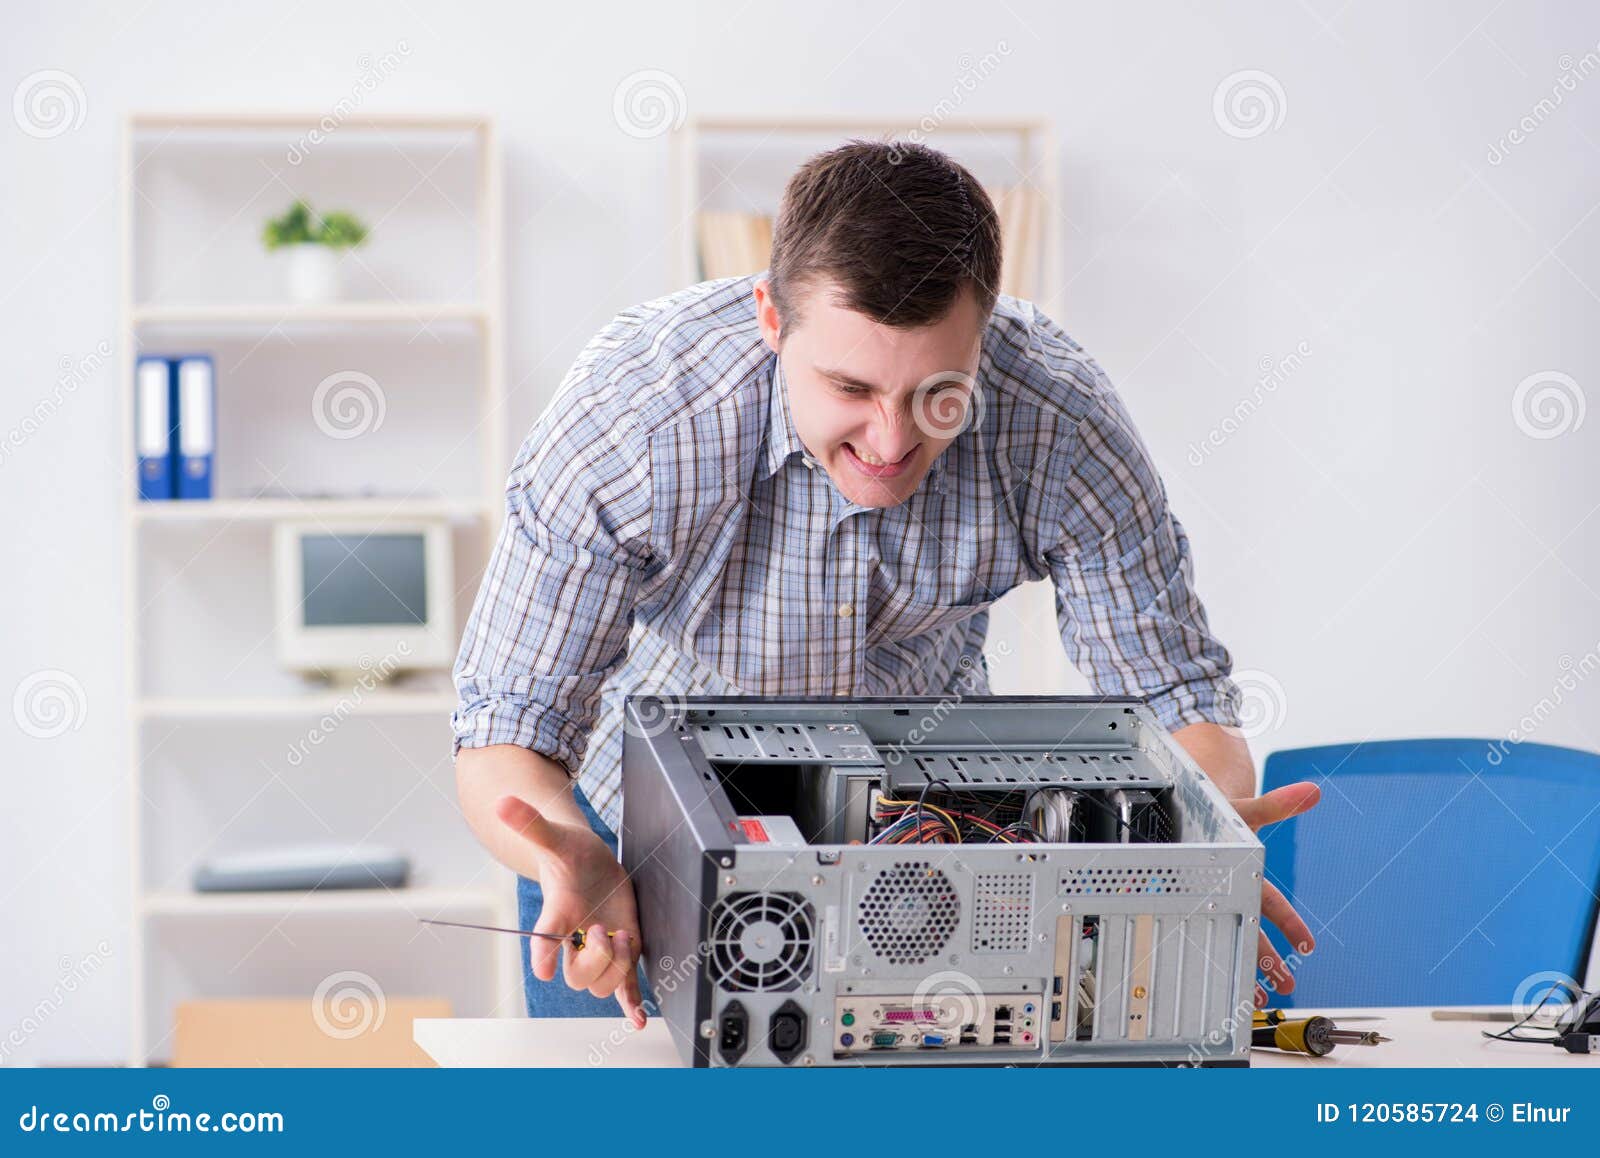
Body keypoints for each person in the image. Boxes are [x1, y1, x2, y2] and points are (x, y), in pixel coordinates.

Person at [451, 140, 1319, 1029]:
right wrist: (570, 856)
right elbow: (506, 725)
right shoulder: (635, 420)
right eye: (850, 387)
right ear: (769, 316)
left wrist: (1200, 842)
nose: (890, 440)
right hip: (625, 858)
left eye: (939, 391)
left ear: (987, 337)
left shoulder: (1057, 420)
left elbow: (1175, 696)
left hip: (924, 854)